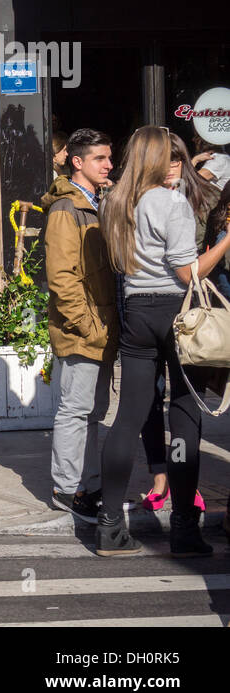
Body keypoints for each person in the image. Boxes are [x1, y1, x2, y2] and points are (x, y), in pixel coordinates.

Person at [97, 126, 230, 557]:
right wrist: (228, 239)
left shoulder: (115, 201)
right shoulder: (170, 202)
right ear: (157, 159)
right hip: (176, 312)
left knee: (127, 418)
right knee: (185, 415)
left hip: (137, 310)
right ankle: (184, 529)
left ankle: (110, 525)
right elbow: (188, 272)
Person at [42, 129, 116, 523]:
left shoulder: (97, 202)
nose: (109, 164)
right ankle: (67, 489)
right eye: (101, 159)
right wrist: (88, 326)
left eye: (109, 157)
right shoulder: (65, 210)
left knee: (92, 412)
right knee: (75, 410)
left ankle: (87, 484)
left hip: (101, 326)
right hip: (82, 330)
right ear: (78, 162)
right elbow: (62, 278)